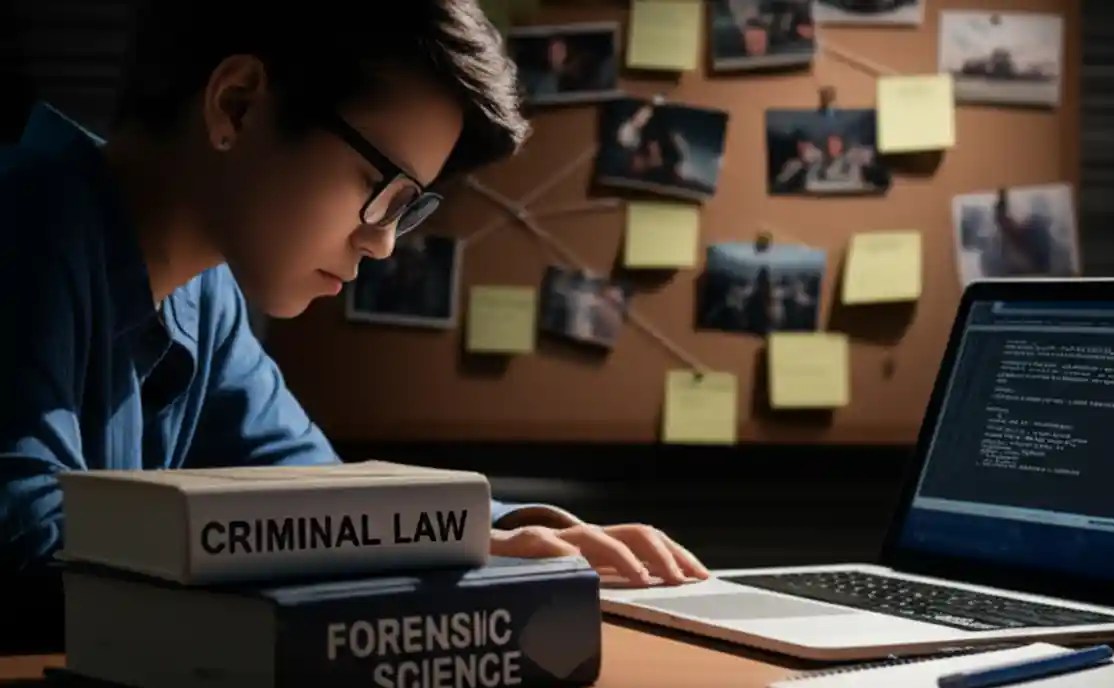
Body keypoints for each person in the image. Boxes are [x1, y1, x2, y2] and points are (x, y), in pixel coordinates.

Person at [0, 1, 709, 650]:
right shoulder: (26, 218)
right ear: (238, 106)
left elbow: (318, 492)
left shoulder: (203, 294)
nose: (383, 242)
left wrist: (511, 528)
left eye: (410, 207)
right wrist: (431, 543)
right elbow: (27, 551)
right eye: (383, 190)